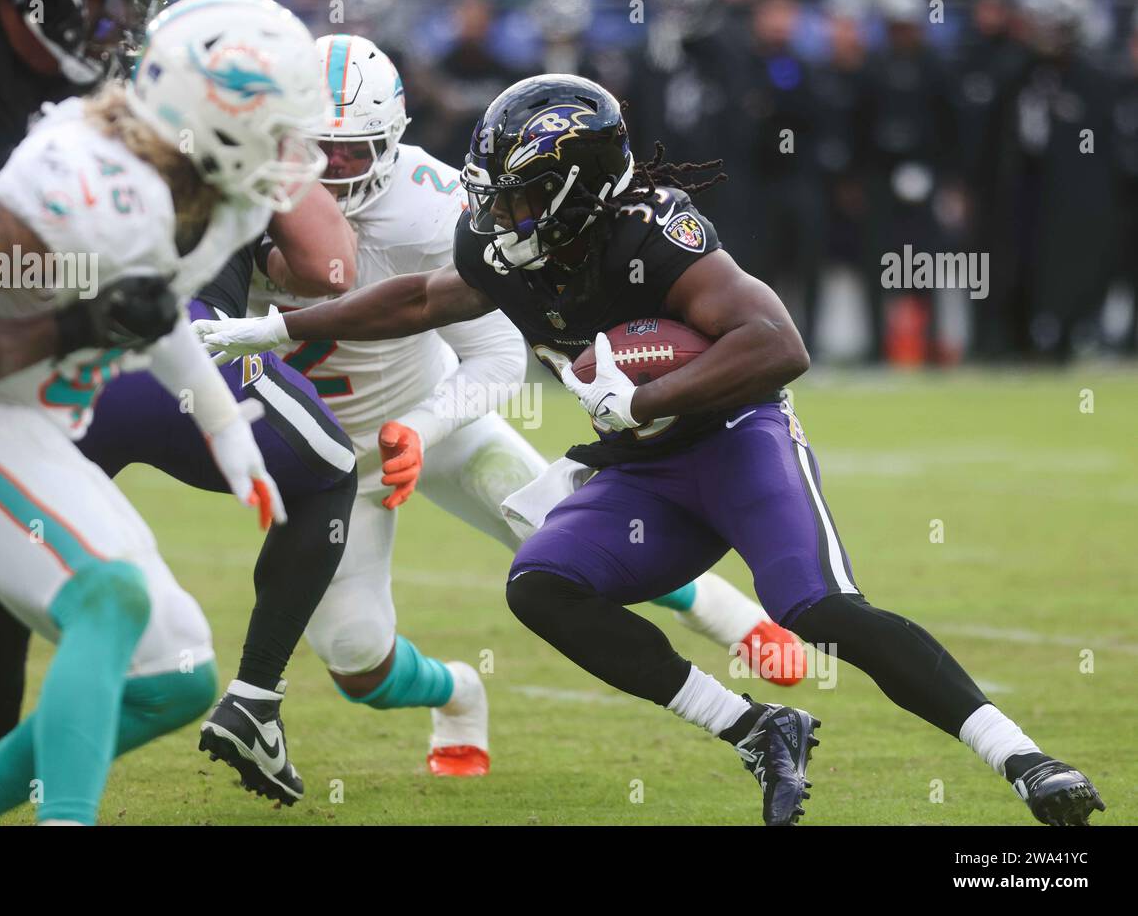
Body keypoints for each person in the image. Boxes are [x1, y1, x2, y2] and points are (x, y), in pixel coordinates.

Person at [195, 74, 1106, 826]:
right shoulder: (506, 238)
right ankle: (756, 726)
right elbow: (424, 301)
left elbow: (779, 343)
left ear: (577, 188)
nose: (495, 209)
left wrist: (648, 394)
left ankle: (1023, 757)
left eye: (515, 191)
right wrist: (272, 329)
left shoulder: (653, 232)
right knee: (544, 586)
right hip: (642, 468)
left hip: (735, 437)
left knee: (816, 606)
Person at [0, 0, 324, 826]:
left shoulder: (213, 191)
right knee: (107, 595)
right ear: (208, 113)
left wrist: (225, 429)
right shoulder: (84, 182)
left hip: (22, 416)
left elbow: (157, 302)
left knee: (175, 673)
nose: (291, 150)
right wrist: (72, 311)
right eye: (276, 124)